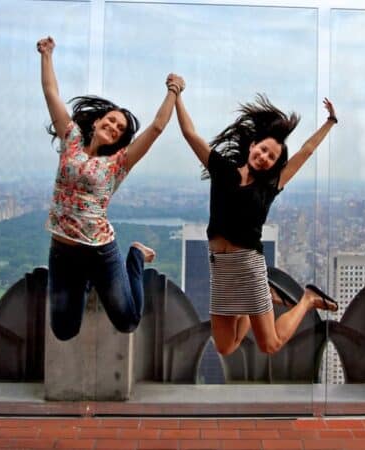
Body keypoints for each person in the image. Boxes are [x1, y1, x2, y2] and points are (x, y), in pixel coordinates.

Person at [37, 36, 185, 340]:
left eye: (120, 129)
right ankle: (87, 281)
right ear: (98, 121)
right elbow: (51, 93)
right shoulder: (72, 138)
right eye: (112, 120)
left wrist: (174, 90)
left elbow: (156, 127)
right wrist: (47, 55)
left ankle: (135, 255)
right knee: (64, 330)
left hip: (100, 251)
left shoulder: (119, 162)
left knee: (128, 321)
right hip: (63, 252)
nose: (114, 127)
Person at [174, 91, 339, 355]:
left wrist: (330, 121)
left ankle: (307, 299)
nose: (264, 157)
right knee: (226, 347)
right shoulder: (223, 170)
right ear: (252, 146)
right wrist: (176, 95)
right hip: (221, 270)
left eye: (271, 157)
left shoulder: (270, 186)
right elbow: (190, 134)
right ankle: (262, 299)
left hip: (248, 266)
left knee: (270, 344)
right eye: (263, 150)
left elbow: (306, 151)